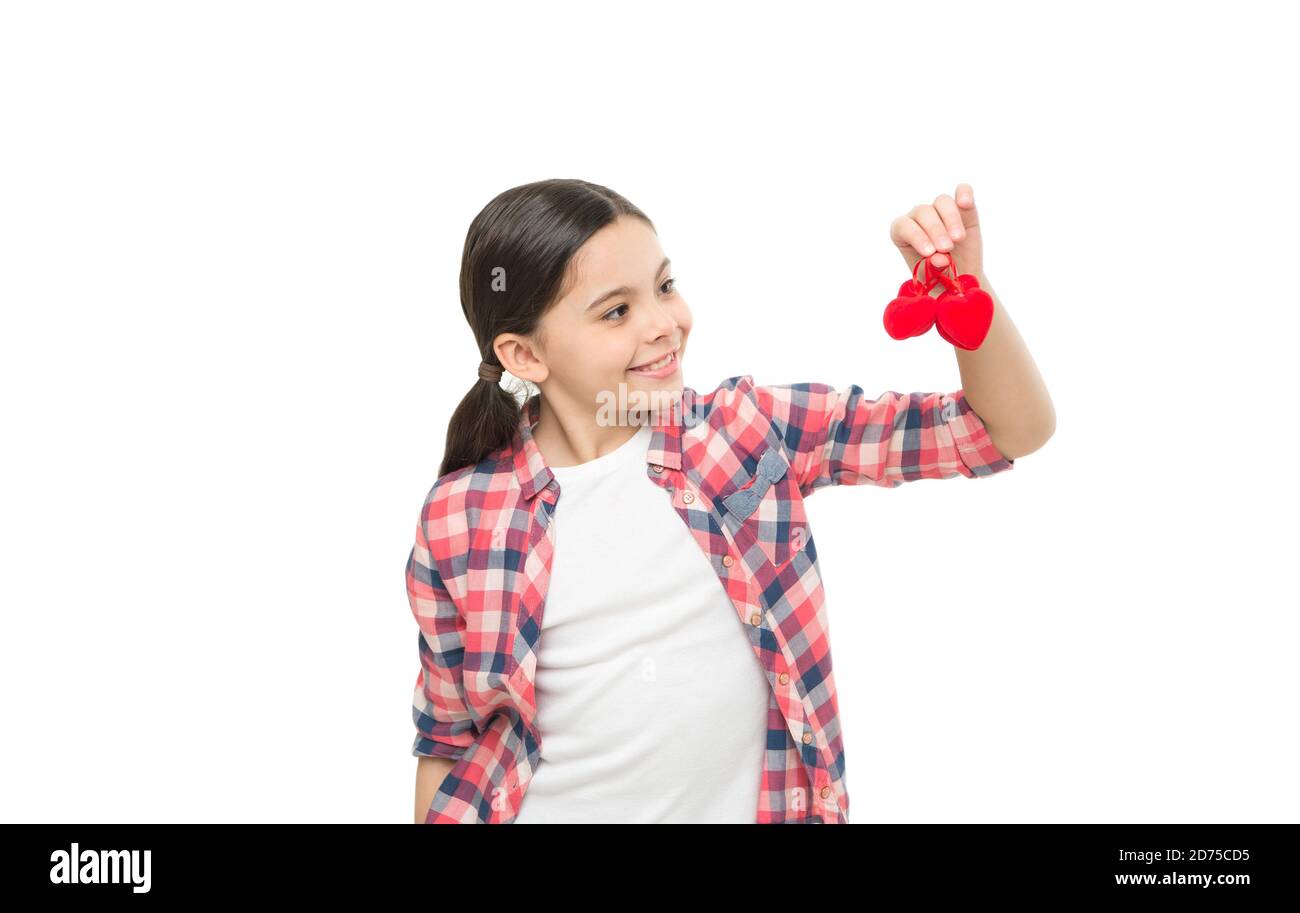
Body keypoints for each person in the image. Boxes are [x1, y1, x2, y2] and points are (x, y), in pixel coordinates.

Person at [409, 178, 1056, 823]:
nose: (666, 324)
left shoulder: (745, 430)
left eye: (664, 286)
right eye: (616, 311)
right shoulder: (459, 518)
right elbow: (447, 740)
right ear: (524, 354)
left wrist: (971, 297)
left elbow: (1002, 430)